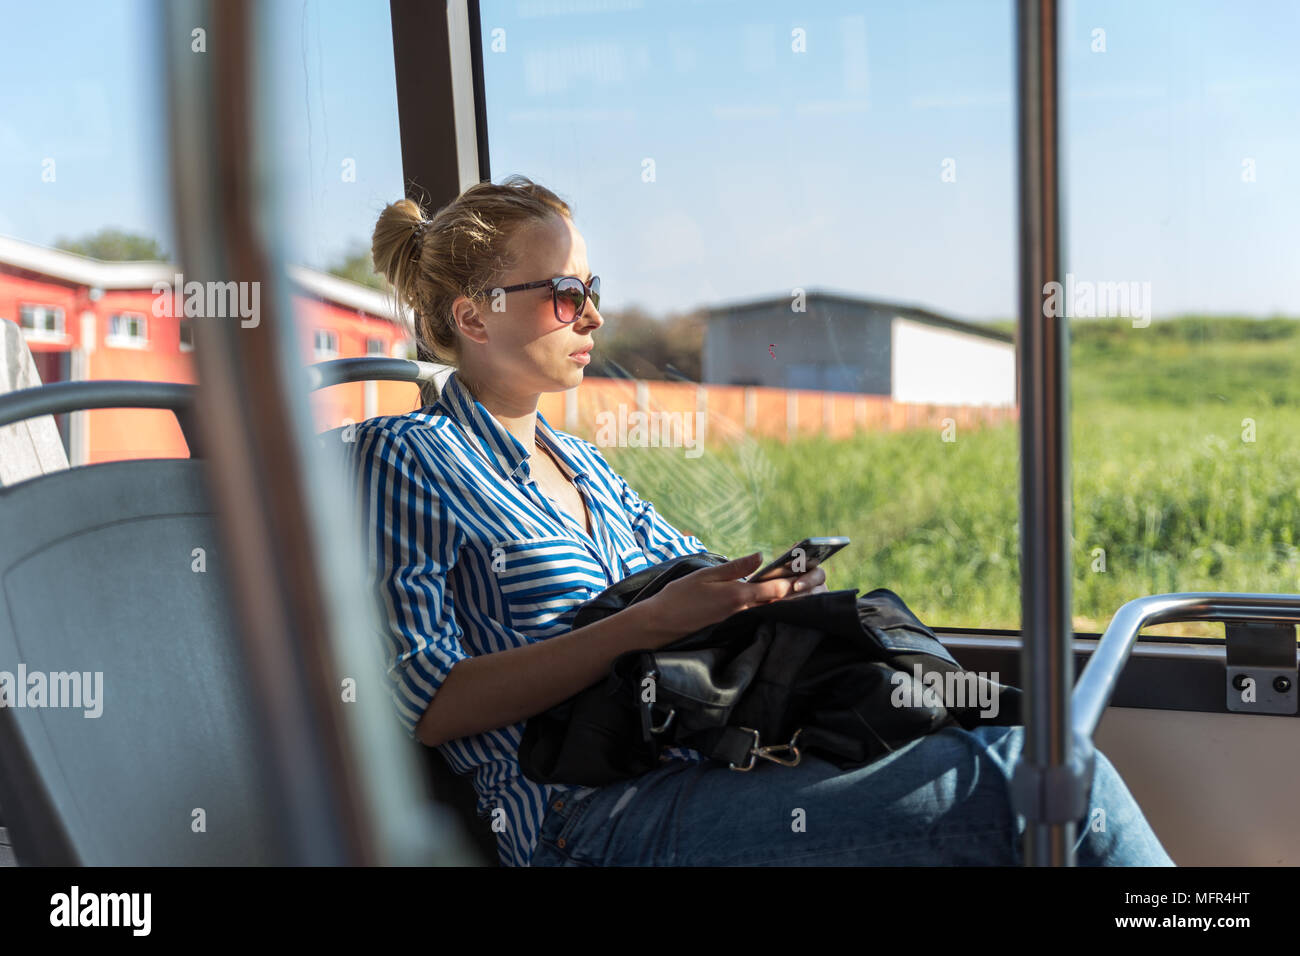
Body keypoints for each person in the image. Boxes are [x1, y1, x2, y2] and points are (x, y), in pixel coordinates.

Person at [348, 175, 1174, 867]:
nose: (593, 315)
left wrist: (760, 587)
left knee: (1016, 744)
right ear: (474, 316)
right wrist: (637, 630)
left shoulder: (585, 467)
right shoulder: (407, 457)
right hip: (583, 820)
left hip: (704, 761)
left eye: (590, 291)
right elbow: (431, 703)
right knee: (1042, 783)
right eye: (565, 294)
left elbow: (691, 581)